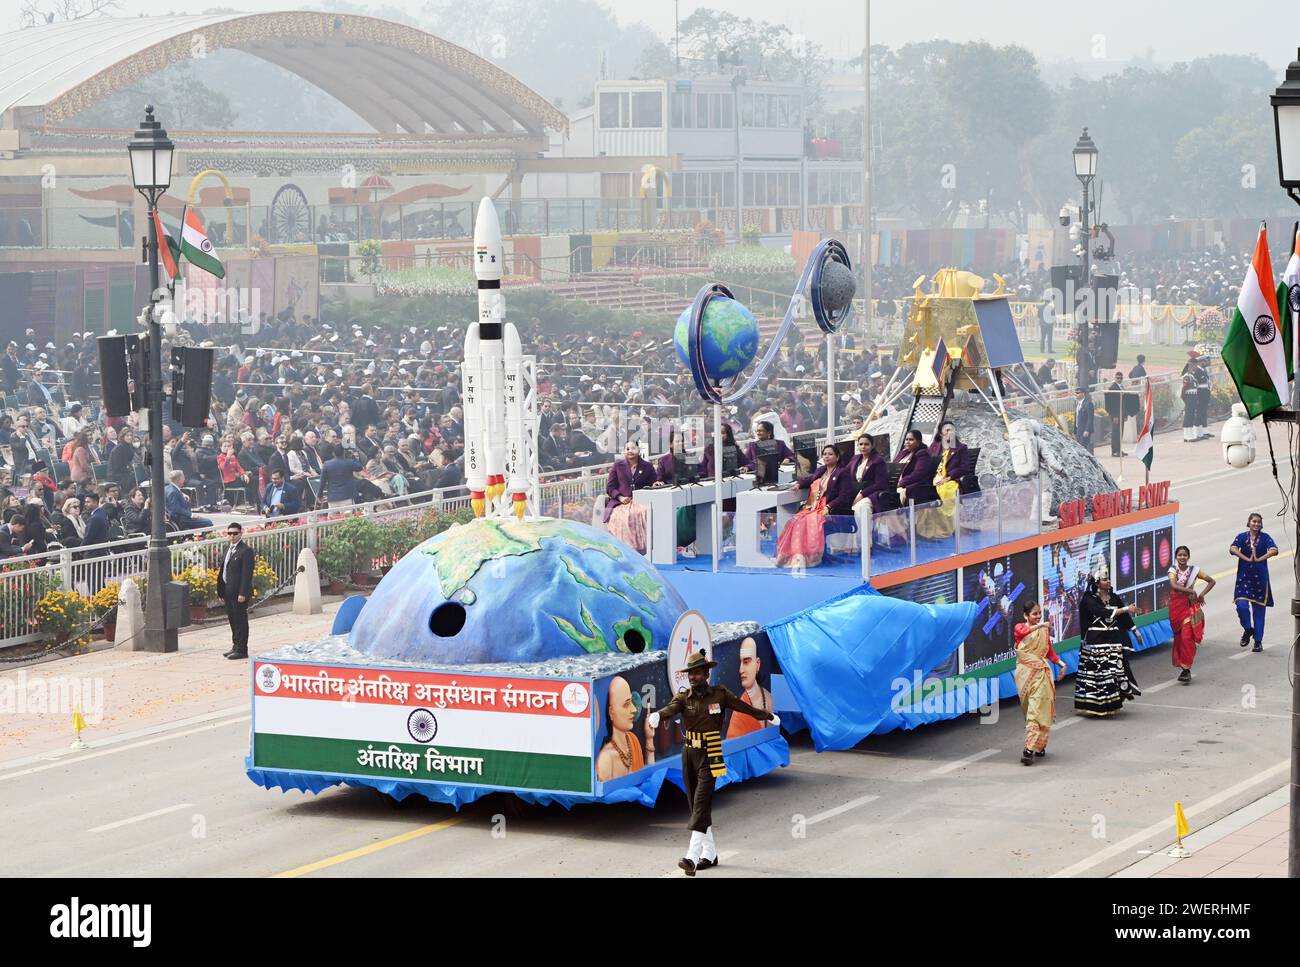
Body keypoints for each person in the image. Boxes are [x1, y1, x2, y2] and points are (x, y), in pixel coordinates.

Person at [647, 650, 777, 875]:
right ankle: (711, 853)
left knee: (701, 802)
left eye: (697, 673)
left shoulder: (720, 695)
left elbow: (744, 708)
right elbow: (670, 709)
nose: (693, 678)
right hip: (689, 754)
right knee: (695, 806)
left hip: (712, 752)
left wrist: (767, 716)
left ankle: (691, 856)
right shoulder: (683, 698)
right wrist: (658, 715)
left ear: (706, 673)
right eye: (690, 674)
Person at [775, 443, 854, 568]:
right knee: (795, 521)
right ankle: (795, 556)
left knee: (807, 521)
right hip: (814, 507)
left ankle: (811, 556)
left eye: (830, 454)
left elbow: (845, 496)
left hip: (831, 509)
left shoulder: (842, 473)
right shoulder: (821, 470)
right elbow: (810, 479)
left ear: (837, 457)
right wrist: (799, 485)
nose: (827, 457)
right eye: (825, 454)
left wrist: (828, 507)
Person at [1074, 565, 1139, 717]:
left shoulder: (1114, 597)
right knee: (1099, 674)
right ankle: (1098, 706)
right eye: (1104, 579)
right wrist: (1125, 609)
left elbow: (1123, 617)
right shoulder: (1089, 600)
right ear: (1097, 583)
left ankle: (1113, 703)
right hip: (1096, 642)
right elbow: (1101, 612)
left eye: (1108, 579)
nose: (1108, 581)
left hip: (1113, 641)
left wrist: (1135, 630)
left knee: (1113, 672)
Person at [1013, 600, 1066, 764]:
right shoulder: (1020, 628)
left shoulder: (1042, 631)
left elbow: (1049, 651)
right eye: (1034, 614)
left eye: (1039, 614)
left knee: (1038, 710)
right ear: (1026, 615)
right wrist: (1041, 625)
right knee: (1029, 710)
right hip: (1025, 675)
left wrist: (1062, 664)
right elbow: (1024, 632)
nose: (1037, 616)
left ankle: (1029, 750)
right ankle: (1038, 744)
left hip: (1041, 676)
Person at [1230, 512, 1276, 652]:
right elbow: (1232, 549)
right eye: (1253, 521)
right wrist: (1246, 557)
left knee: (1258, 612)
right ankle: (1248, 629)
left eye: (1258, 522)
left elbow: (1274, 550)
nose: (1256, 524)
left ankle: (1258, 641)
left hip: (1260, 580)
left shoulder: (1265, 537)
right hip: (1244, 578)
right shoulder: (1242, 537)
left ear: (1261, 524)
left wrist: (1260, 558)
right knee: (1241, 606)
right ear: (1249, 523)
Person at [1168, 544, 1215, 683]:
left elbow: (1211, 581)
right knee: (1180, 638)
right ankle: (1183, 663)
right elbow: (1173, 585)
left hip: (1190, 607)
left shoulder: (1195, 571)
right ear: (1176, 557)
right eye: (1180, 555)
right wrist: (1191, 591)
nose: (1182, 557)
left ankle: (1186, 669)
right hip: (1176, 608)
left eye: (1185, 555)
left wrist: (1202, 594)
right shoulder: (1173, 570)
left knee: (1187, 637)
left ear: (1188, 557)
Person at [595, 675, 655, 781]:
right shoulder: (606, 759)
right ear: (611, 712)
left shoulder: (632, 740)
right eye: (626, 704)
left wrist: (649, 739)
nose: (634, 709)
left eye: (631, 702)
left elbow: (650, 782)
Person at [916, 421, 971, 538]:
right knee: (923, 490)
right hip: (934, 478)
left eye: (952, 430)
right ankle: (926, 530)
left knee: (944, 491)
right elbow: (927, 464)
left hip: (951, 480)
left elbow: (964, 468)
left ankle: (944, 529)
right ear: (941, 434)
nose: (950, 432)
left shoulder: (961, 448)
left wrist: (948, 477)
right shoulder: (934, 447)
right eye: (947, 430)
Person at [603, 441, 656, 553]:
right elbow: (610, 487)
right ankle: (625, 550)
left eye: (633, 448)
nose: (630, 451)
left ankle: (643, 548)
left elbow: (654, 483)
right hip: (621, 502)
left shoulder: (648, 466)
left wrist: (656, 484)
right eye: (627, 449)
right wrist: (620, 497)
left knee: (642, 512)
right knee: (623, 516)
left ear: (639, 449)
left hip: (641, 501)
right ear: (624, 451)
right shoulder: (618, 465)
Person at [217, 521, 255, 660]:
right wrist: (221, 591)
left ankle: (242, 648)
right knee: (232, 619)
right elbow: (223, 571)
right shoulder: (229, 549)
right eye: (230, 533)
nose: (232, 536)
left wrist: (243, 593)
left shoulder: (245, 551)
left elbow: (247, 574)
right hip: (228, 590)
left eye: (235, 533)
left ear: (241, 533)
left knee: (240, 620)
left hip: (238, 592)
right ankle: (235, 645)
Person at [725, 638, 774, 739]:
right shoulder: (738, 712)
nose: (741, 670)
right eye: (740, 662)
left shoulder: (768, 698)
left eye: (746, 662)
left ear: (757, 664)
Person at [895, 429, 938, 505]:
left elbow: (918, 474)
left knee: (896, 494)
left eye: (911, 440)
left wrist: (901, 483)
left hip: (912, 485)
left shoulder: (923, 454)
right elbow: (892, 467)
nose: (907, 442)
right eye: (906, 439)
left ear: (918, 442)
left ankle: (899, 515)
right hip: (895, 484)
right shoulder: (902, 453)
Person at [849, 434, 890, 510]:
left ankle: (866, 522)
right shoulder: (855, 458)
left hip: (872, 493)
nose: (863, 447)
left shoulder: (877, 460)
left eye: (866, 444)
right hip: (855, 491)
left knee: (860, 507)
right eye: (861, 444)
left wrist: (862, 494)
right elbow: (845, 473)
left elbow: (880, 484)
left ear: (872, 445)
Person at [320, 442, 364, 509]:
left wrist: (319, 494)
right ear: (344, 452)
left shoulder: (326, 464)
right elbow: (360, 467)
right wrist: (353, 456)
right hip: (347, 497)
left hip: (333, 498)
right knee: (347, 519)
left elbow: (322, 482)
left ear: (333, 453)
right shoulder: (349, 462)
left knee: (333, 519)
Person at [1074, 387, 1095, 452]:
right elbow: (1076, 418)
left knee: (1083, 447)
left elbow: (1090, 418)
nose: (1076, 394)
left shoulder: (1088, 404)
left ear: (1083, 394)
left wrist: (1087, 430)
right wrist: (1074, 431)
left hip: (1084, 430)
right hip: (1078, 430)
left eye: (1078, 393)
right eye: (1075, 393)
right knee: (1079, 447)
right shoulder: (1078, 404)